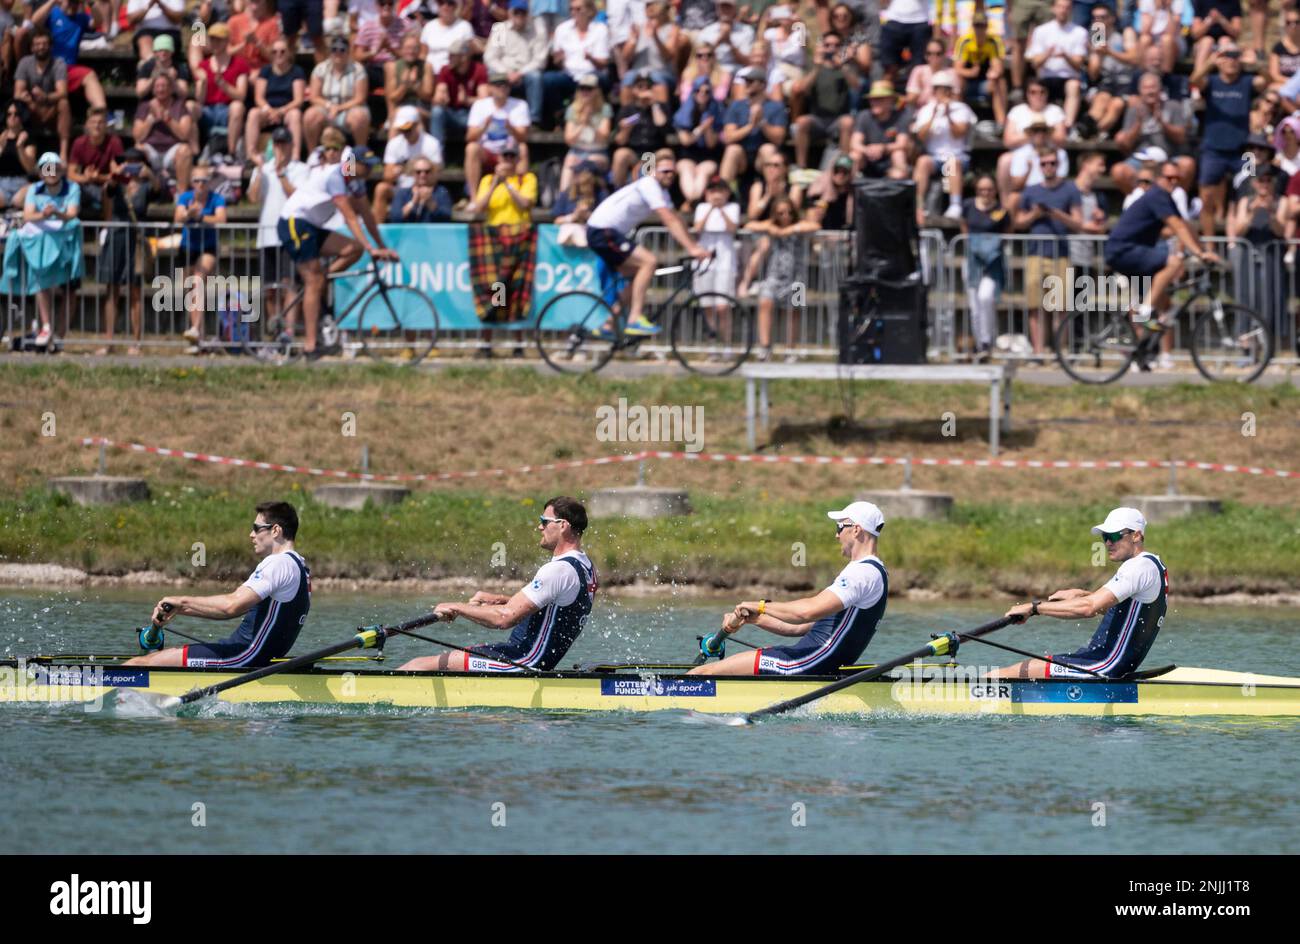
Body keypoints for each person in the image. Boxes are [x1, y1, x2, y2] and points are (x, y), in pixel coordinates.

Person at [688, 501, 888, 676]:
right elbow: (799, 627)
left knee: (703, 672)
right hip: (815, 661)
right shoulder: (873, 572)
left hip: (808, 662)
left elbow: (806, 612)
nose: (836, 535)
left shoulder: (862, 574)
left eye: (839, 527)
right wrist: (755, 618)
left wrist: (760, 605)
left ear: (856, 530)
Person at [398, 498, 598, 673]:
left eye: (544, 521)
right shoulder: (585, 566)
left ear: (562, 525)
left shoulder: (558, 570)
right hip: (532, 659)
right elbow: (553, 610)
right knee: (454, 658)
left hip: (522, 661)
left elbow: (503, 619)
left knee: (418, 665)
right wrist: (499, 600)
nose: (539, 527)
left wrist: (456, 607)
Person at [125, 503, 312, 668]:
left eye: (256, 528)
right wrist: (180, 609)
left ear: (275, 531)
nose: (251, 534)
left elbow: (231, 606)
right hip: (258, 658)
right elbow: (236, 609)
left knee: (139, 664)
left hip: (242, 656)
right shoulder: (300, 566)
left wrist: (180, 603)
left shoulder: (278, 563)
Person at [990, 508, 1167, 680]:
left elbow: (1088, 609)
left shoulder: (1137, 567)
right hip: (1105, 662)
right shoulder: (1153, 564)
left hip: (1103, 666)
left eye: (1113, 536)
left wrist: (1033, 608)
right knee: (1026, 668)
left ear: (1136, 536)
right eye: (1105, 537)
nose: (1107, 543)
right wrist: (1082, 595)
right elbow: (1126, 611)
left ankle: (970, 694)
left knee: (1009, 673)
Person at [277, 130, 400, 357]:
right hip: (294, 221)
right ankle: (311, 345)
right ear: (356, 164)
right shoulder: (337, 176)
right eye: (368, 165)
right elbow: (351, 217)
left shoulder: (354, 182)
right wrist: (373, 249)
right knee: (314, 280)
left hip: (311, 224)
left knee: (354, 248)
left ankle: (320, 279)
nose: (371, 170)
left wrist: (380, 245)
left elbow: (368, 217)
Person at [1104, 159, 1222, 369]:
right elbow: (1177, 227)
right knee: (1173, 262)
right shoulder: (1157, 195)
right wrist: (1199, 253)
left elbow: (1185, 226)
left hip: (1133, 251)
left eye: (1177, 178)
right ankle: (1146, 310)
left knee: (1163, 307)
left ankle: (1142, 352)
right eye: (1168, 177)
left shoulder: (1166, 198)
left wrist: (1205, 249)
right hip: (1124, 250)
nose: (1173, 181)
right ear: (1158, 178)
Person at [585, 148, 711, 336]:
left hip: (607, 232)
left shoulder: (663, 193)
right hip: (603, 231)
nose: (669, 175)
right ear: (653, 171)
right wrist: (692, 249)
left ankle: (608, 323)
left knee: (639, 274)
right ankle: (634, 320)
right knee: (649, 261)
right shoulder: (649, 184)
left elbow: (676, 219)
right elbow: (667, 219)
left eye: (672, 172)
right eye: (664, 171)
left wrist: (696, 244)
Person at [1190, 40, 1263, 238]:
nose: (1231, 61)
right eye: (1227, 57)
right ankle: (1210, 244)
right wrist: (1210, 62)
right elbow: (1195, 80)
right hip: (1213, 149)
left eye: (1235, 57)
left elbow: (1268, 80)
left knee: (1254, 191)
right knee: (1206, 197)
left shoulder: (1247, 81)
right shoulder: (1212, 81)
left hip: (1244, 150)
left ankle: (1245, 238)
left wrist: (1255, 63)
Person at [1015, 148, 1082, 358]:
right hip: (1036, 253)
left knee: (1060, 308)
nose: (1048, 167)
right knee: (1036, 306)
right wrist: (1035, 214)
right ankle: (1038, 352)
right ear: (1039, 165)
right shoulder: (1031, 191)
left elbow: (1078, 223)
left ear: (1058, 164)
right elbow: (1018, 222)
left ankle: (1059, 353)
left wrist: (1056, 214)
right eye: (1044, 163)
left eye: (1052, 163)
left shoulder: (1070, 189)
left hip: (1060, 254)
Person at [738, 195, 816, 359]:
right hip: (773, 276)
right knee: (765, 303)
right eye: (781, 213)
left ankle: (790, 350)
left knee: (793, 312)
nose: (785, 216)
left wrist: (789, 230)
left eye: (788, 212)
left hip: (797, 279)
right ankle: (765, 346)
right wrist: (771, 228)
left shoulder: (799, 226)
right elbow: (750, 224)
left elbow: (814, 225)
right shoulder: (770, 226)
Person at [248, 126, 308, 335]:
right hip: (266, 236)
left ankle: (288, 333)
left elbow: (297, 197)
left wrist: (281, 173)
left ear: (292, 145)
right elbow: (253, 198)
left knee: (288, 285)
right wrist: (259, 171)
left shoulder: (301, 169)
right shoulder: (263, 169)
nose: (280, 148)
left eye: (284, 143)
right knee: (270, 289)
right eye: (277, 143)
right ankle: (275, 331)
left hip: (290, 235)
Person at [18, 152, 80, 350]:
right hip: (43, 247)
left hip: (67, 244)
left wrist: (56, 213)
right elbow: (28, 215)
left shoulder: (72, 187)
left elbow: (72, 214)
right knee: (41, 284)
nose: (51, 172)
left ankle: (60, 337)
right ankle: (46, 326)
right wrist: (43, 214)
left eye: (54, 167)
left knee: (70, 290)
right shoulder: (34, 190)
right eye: (47, 168)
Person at [96, 147, 153, 356]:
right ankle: (109, 341)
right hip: (116, 236)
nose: (131, 166)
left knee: (135, 291)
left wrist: (151, 175)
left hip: (135, 239)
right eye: (128, 161)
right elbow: (107, 191)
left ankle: (136, 342)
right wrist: (115, 175)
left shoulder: (147, 185)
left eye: (136, 162)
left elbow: (159, 191)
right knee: (112, 290)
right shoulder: (118, 183)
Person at [527, 0, 609, 128]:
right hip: (568, 74)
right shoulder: (562, 29)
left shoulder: (600, 29)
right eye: (571, 9)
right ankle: (561, 114)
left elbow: (603, 63)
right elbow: (557, 62)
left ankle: (595, 117)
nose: (574, 12)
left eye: (578, 9)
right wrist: (558, 60)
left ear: (589, 10)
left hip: (592, 74)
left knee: (598, 79)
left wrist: (591, 58)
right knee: (547, 80)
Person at [1111, 72, 1194, 195]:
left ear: (1160, 89)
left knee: (1187, 164)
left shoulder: (1173, 106)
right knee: (1118, 171)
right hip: (1140, 160)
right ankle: (1139, 204)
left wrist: (1163, 123)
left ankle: (1175, 202)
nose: (1150, 91)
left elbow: (1181, 138)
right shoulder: (1134, 110)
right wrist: (1138, 125)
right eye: (1146, 88)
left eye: (1153, 87)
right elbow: (1126, 145)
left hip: (1168, 158)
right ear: (1140, 91)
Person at [173, 167, 227, 353]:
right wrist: (189, 213)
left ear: (209, 182)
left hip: (207, 247)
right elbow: (177, 217)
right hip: (188, 246)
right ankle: (198, 339)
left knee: (198, 281)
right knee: (192, 291)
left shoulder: (216, 198)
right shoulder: (185, 197)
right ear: (191, 182)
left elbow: (221, 219)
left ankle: (195, 329)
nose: (200, 184)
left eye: (204, 181)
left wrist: (202, 216)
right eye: (196, 180)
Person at [911, 70, 974, 225]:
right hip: (934, 158)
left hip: (957, 157)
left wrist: (948, 114)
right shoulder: (926, 110)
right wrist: (933, 115)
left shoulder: (961, 109)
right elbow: (921, 136)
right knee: (922, 162)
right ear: (933, 90)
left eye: (946, 88)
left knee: (951, 162)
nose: (942, 92)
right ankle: (919, 205)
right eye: (939, 88)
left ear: (951, 90)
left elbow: (959, 133)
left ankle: (955, 205)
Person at [961, 174, 1009, 362]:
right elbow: (964, 225)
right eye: (982, 189)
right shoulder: (968, 206)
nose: (985, 193)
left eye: (989, 189)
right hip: (973, 259)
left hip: (992, 260)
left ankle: (988, 339)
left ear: (994, 191)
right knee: (974, 305)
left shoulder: (1000, 210)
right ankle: (981, 343)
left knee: (986, 297)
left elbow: (1007, 230)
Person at [792, 31, 856, 172]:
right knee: (802, 122)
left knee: (848, 122)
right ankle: (800, 167)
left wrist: (843, 66)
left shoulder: (845, 68)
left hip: (837, 119)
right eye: (827, 45)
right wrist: (817, 67)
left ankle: (844, 166)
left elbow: (856, 86)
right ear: (822, 47)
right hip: (818, 119)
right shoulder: (813, 66)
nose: (832, 48)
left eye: (836, 45)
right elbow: (802, 89)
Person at [464, 72, 531, 201]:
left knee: (523, 148)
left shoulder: (520, 105)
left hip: (510, 153)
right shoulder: (480, 105)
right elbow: (469, 137)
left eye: (505, 85)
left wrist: (511, 128)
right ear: (490, 88)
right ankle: (474, 198)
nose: (502, 88)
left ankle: (522, 195)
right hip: (488, 153)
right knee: (471, 148)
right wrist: (484, 126)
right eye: (497, 85)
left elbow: (523, 138)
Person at [719, 65, 788, 187]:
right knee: (732, 150)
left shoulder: (776, 107)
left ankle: (775, 193)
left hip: (761, 158)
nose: (746, 84)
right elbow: (728, 137)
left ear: (763, 85)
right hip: (742, 156)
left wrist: (762, 123)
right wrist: (751, 126)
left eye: (751, 81)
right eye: (746, 81)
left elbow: (778, 138)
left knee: (768, 149)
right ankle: (722, 191)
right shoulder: (736, 106)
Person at [691, 173, 740, 341]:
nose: (717, 195)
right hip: (704, 262)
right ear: (707, 193)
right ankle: (712, 345)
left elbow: (732, 229)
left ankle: (726, 345)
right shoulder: (702, 208)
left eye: (721, 191)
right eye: (713, 191)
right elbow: (697, 229)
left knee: (722, 306)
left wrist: (720, 209)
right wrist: (711, 207)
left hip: (725, 262)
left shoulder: (732, 208)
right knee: (707, 306)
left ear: (727, 193)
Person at [1026, 0, 1089, 128]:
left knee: (1074, 85)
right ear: (1053, 8)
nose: (1063, 10)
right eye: (1060, 7)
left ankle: (1067, 126)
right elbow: (1035, 63)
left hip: (1068, 78)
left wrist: (1066, 56)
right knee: (1035, 88)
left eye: (1066, 7)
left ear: (1071, 10)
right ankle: (1037, 125)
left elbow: (1078, 65)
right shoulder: (1041, 30)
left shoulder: (1080, 32)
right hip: (1046, 77)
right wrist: (1048, 54)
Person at [374, 104, 444, 220]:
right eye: (402, 130)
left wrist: (417, 180)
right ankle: (378, 232)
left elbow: (435, 176)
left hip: (425, 188)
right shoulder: (394, 144)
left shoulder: (432, 143)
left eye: (408, 129)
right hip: (402, 190)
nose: (405, 133)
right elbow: (387, 176)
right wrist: (397, 172)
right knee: (381, 188)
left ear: (417, 125)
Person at [305, 32, 371, 152]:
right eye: (334, 49)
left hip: (349, 109)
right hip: (326, 109)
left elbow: (360, 98)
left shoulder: (358, 69)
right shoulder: (320, 69)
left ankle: (360, 154)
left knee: (359, 116)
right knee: (310, 116)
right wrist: (330, 106)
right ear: (330, 51)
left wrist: (339, 108)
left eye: (342, 49)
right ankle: (312, 156)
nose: (338, 53)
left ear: (348, 52)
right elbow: (314, 97)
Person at [12, 29, 70, 163]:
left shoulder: (58, 63)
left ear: (50, 46)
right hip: (32, 111)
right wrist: (26, 97)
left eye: (44, 44)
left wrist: (46, 96)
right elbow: (17, 92)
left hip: (51, 111)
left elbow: (63, 92)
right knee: (17, 105)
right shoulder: (25, 63)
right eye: (37, 44)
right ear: (32, 47)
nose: (41, 47)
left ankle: (63, 153)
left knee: (64, 103)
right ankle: (19, 150)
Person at [132, 72, 195, 193]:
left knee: (185, 150)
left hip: (172, 150)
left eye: (164, 86)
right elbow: (137, 136)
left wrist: (168, 119)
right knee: (137, 149)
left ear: (171, 89)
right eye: (158, 86)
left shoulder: (180, 106)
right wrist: (150, 120)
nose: (161, 89)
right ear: (153, 89)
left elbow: (185, 135)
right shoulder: (144, 106)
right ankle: (137, 194)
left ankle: (181, 196)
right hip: (151, 150)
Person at [247, 38, 308, 162]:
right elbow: (259, 97)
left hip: (287, 110)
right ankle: (251, 155)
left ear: (289, 53)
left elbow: (298, 99)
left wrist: (280, 111)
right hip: (268, 110)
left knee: (295, 115)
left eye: (282, 51)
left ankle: (295, 156)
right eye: (274, 52)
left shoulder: (297, 71)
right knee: (253, 113)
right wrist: (270, 111)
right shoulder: (265, 71)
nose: (278, 54)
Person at [195, 23, 252, 154]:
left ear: (227, 41)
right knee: (190, 107)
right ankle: (194, 153)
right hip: (208, 110)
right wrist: (202, 84)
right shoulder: (203, 65)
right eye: (212, 39)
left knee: (237, 106)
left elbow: (241, 95)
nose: (215, 43)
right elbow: (199, 100)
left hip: (227, 109)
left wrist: (223, 85)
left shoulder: (239, 64)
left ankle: (231, 152)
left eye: (219, 39)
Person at [612, 70, 672, 186]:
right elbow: (619, 141)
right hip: (634, 152)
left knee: (665, 153)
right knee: (620, 154)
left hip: (653, 151)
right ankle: (618, 191)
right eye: (640, 86)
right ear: (634, 90)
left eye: (648, 87)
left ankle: (658, 193)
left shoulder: (660, 107)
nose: (644, 90)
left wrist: (654, 104)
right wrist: (626, 129)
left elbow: (662, 125)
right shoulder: (627, 109)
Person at [673, 76, 724, 207]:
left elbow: (711, 144)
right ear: (693, 92)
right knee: (685, 169)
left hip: (708, 156)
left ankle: (690, 202)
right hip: (688, 154)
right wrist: (702, 128)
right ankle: (692, 200)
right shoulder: (683, 113)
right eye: (699, 91)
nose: (702, 94)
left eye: (706, 92)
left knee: (703, 171)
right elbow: (686, 141)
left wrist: (708, 128)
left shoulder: (716, 111)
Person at [484, 0, 548, 102]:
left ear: (528, 14)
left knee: (536, 77)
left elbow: (540, 61)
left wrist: (520, 73)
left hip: (526, 72)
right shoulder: (500, 28)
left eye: (523, 13)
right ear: (509, 13)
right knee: (493, 73)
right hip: (504, 70)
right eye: (516, 12)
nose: (519, 16)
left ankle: (534, 117)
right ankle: (495, 111)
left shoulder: (538, 30)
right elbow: (490, 57)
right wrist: (506, 72)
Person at [67, 107, 123, 221]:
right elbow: (71, 174)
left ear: (106, 125)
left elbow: (118, 174)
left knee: (109, 188)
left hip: (107, 186)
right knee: (71, 187)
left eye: (100, 122)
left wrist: (99, 177)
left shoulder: (114, 143)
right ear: (87, 125)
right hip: (86, 185)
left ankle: (108, 229)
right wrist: (86, 178)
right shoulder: (79, 143)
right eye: (93, 122)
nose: (97, 126)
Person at [954, 12, 1007, 131]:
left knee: (1000, 81)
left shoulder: (994, 41)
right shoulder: (964, 41)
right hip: (967, 83)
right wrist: (970, 72)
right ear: (973, 26)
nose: (979, 29)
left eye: (982, 26)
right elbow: (957, 68)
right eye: (977, 26)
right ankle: (959, 120)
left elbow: (998, 66)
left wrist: (993, 73)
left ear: (986, 26)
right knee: (958, 81)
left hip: (985, 83)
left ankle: (1001, 123)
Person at [430, 37, 486, 145]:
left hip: (471, 115)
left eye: (453, 55)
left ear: (464, 57)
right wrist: (441, 99)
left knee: (485, 116)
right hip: (452, 113)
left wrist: (467, 100)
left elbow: (485, 100)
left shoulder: (479, 69)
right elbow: (438, 95)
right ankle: (436, 156)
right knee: (437, 111)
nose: (449, 58)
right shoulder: (445, 70)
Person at [561, 72, 611, 192]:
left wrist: (591, 123)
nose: (585, 92)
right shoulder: (572, 109)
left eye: (589, 89)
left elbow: (604, 138)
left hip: (598, 152)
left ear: (596, 91)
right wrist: (582, 123)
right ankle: (563, 199)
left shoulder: (604, 109)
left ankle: (593, 200)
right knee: (570, 161)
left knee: (590, 163)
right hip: (577, 151)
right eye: (582, 88)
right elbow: (568, 140)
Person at [850, 81, 911, 179]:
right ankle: (850, 192)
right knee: (854, 156)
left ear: (891, 100)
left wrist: (883, 148)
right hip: (867, 159)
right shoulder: (864, 116)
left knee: (899, 154)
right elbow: (855, 143)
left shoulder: (901, 116)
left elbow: (902, 144)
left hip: (889, 160)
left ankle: (900, 187)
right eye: (872, 99)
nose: (874, 102)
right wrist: (867, 150)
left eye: (879, 99)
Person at [387, 155, 452, 221]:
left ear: (432, 173)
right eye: (418, 172)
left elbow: (447, 217)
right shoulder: (402, 193)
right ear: (412, 173)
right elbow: (395, 218)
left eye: (427, 171)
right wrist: (413, 202)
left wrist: (430, 202)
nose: (422, 175)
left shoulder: (441, 192)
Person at [0, 100, 35, 211]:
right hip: (2, 183)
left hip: (21, 183)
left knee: (34, 190)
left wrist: (20, 147)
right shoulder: (1, 137)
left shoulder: (28, 139)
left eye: (16, 114)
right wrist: (1, 147)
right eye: (9, 114)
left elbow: (29, 168)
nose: (12, 117)